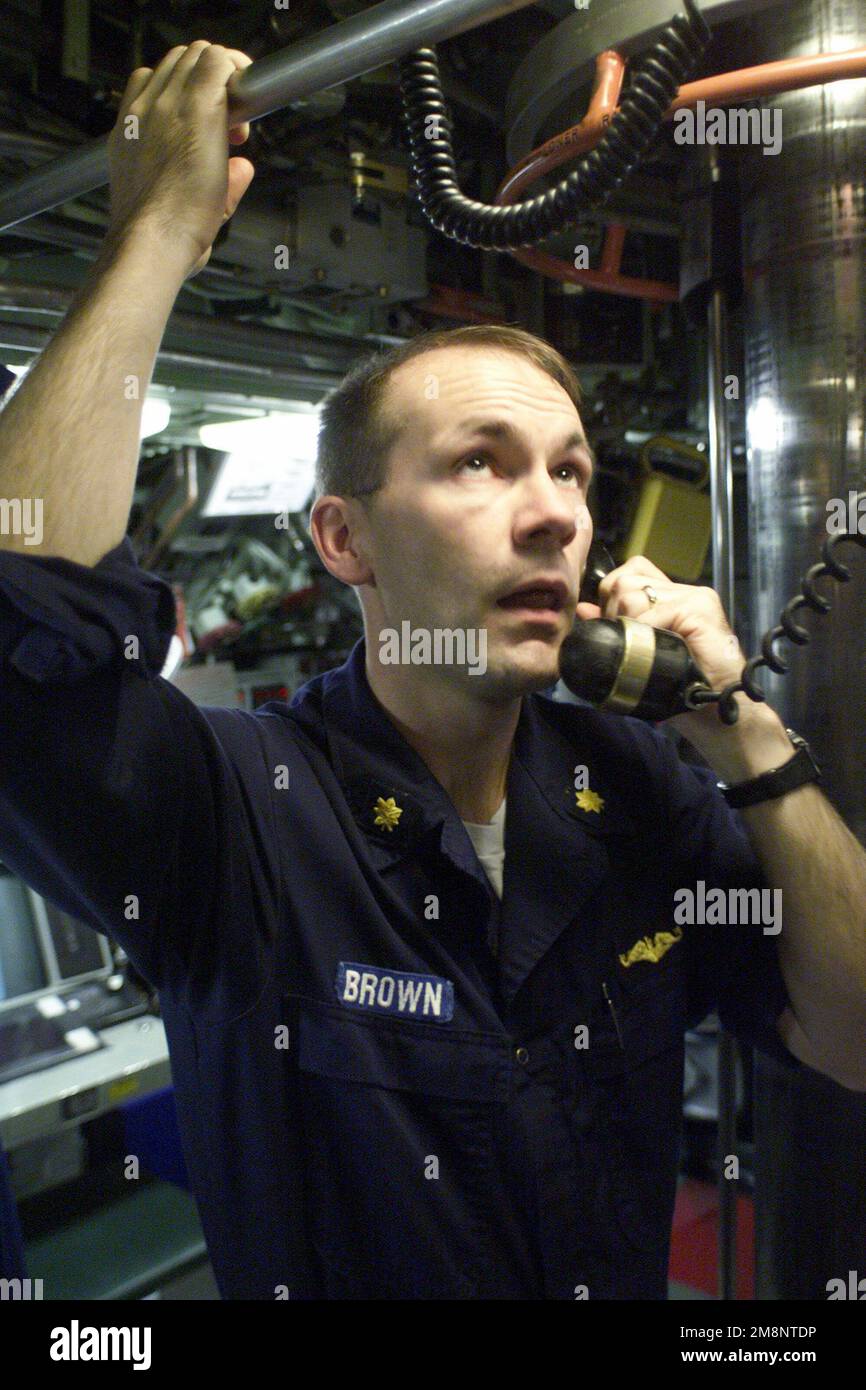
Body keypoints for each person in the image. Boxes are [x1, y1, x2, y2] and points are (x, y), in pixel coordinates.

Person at [1, 41, 865, 1302]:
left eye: (569, 470)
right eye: (480, 462)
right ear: (342, 537)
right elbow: (27, 608)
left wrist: (736, 733)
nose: (554, 514)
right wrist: (156, 233)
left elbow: (849, 1036)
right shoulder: (235, 810)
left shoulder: (640, 791)